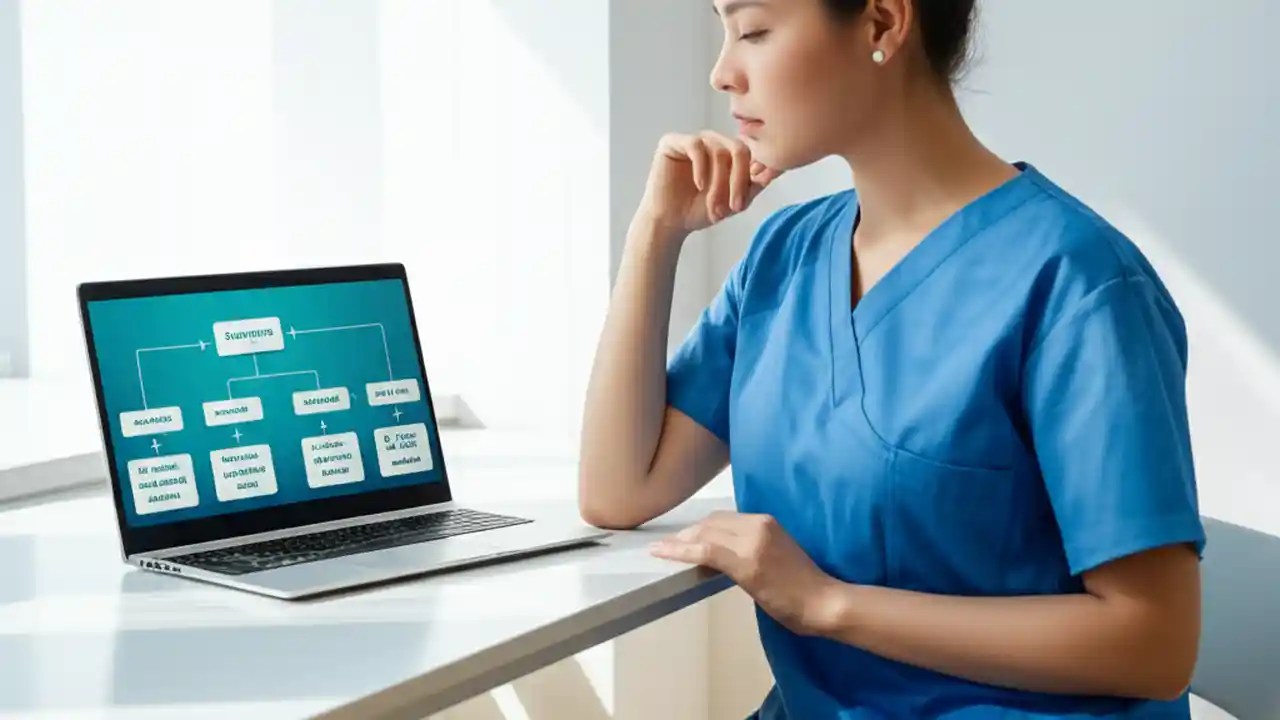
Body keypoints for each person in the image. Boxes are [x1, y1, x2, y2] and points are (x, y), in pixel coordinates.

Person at [577, 0, 1206, 717]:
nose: (723, 72)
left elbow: (1157, 644)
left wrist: (829, 605)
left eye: (751, 30)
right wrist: (655, 232)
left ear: (880, 24)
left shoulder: (1077, 280)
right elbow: (619, 491)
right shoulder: (783, 257)